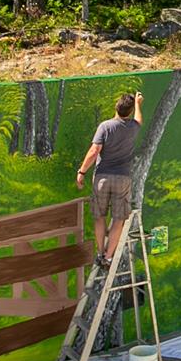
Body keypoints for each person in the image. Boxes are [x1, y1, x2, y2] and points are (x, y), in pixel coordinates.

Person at [76, 91, 143, 267]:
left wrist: (82, 172)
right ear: (129, 112)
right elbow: (139, 119)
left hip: (102, 178)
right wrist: (137, 104)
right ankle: (108, 257)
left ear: (116, 107)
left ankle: (100, 253)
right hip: (123, 178)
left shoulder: (105, 127)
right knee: (118, 219)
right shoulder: (133, 127)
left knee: (99, 216)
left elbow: (93, 151)